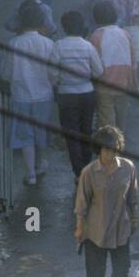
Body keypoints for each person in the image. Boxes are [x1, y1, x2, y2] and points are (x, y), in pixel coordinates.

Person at [74, 125, 138, 277]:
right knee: (95, 275)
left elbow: (133, 197)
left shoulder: (128, 168)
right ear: (98, 150)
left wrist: (135, 218)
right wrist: (79, 227)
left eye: (112, 150)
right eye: (104, 150)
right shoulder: (89, 172)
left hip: (120, 228)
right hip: (95, 231)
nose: (108, 154)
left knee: (123, 267)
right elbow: (82, 203)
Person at [0, 2, 57, 185]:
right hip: (44, 96)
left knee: (25, 137)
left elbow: (7, 72)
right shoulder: (48, 44)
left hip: (21, 96)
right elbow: (54, 71)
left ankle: (31, 173)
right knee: (41, 133)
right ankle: (42, 164)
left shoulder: (14, 43)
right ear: (42, 22)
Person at [53, 10, 103, 179]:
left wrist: (60, 82)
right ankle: (87, 167)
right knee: (86, 131)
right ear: (82, 26)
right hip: (87, 94)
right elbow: (98, 71)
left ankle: (79, 172)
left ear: (64, 27)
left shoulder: (58, 46)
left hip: (66, 96)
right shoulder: (87, 46)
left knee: (71, 136)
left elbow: (51, 74)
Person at [89, 0, 137, 133]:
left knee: (106, 121)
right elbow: (133, 62)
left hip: (104, 85)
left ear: (96, 17)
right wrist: (134, 83)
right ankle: (120, 144)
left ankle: (109, 149)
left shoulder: (96, 36)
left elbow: (93, 63)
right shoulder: (125, 34)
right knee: (121, 118)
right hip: (123, 82)